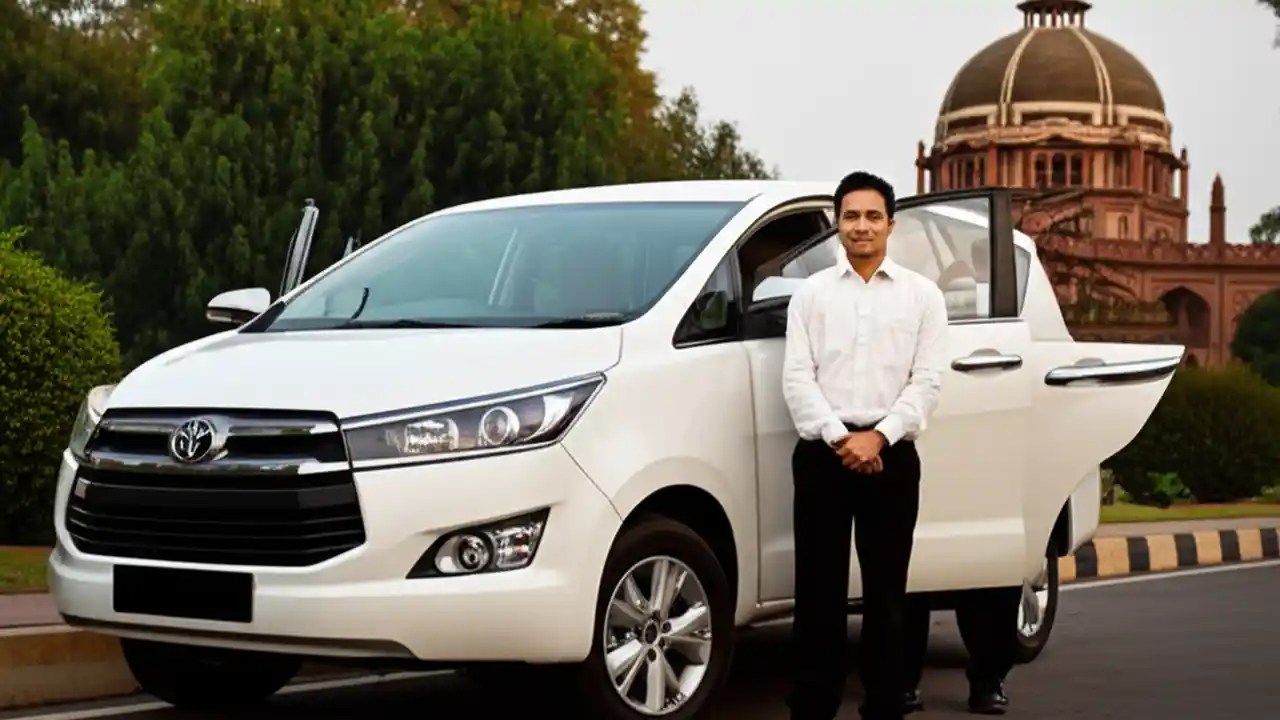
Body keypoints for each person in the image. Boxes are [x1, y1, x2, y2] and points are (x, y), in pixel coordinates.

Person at [781, 170, 948, 720]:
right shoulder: (810, 295)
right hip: (823, 457)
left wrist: (878, 437)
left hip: (892, 457)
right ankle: (814, 703)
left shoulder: (923, 297)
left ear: (891, 225)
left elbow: (926, 382)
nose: (862, 226)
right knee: (818, 592)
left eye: (873, 216)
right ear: (836, 224)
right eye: (851, 216)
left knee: (887, 593)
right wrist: (840, 438)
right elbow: (797, 379)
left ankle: (885, 702)